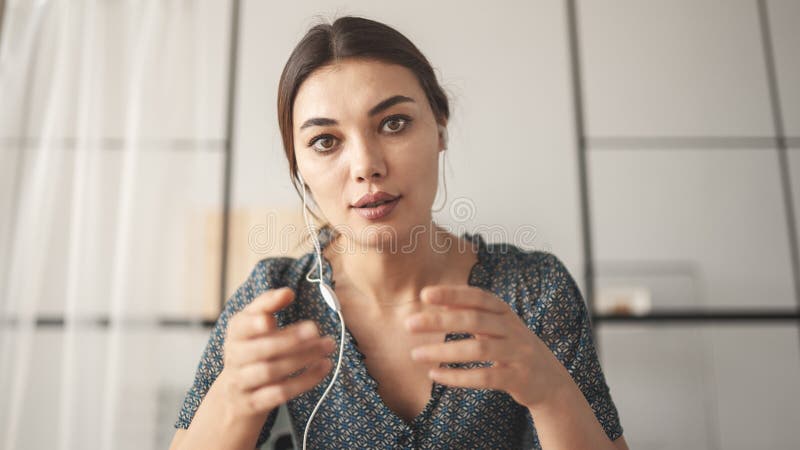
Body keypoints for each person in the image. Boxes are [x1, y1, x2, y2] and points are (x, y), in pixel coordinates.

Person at [169, 15, 629, 450]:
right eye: (325, 141)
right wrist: (233, 397)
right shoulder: (274, 300)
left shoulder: (534, 290)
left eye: (394, 123)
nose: (367, 165)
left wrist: (550, 391)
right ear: (299, 167)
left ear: (440, 128)